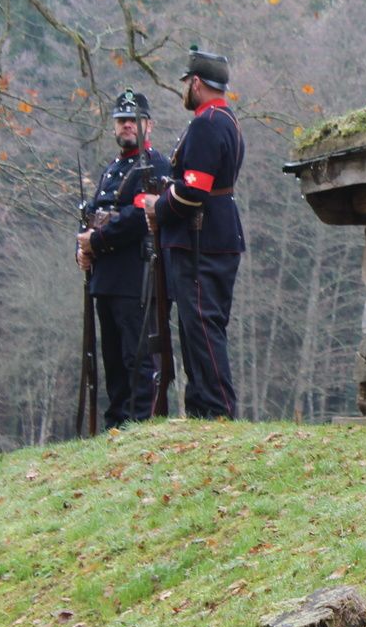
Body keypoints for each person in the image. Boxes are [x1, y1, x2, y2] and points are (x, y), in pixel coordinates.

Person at [147, 45, 246, 420]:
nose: (184, 88)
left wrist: (159, 207)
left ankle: (217, 409)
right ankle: (203, 407)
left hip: (201, 239)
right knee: (198, 326)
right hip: (211, 236)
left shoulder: (207, 124)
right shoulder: (225, 120)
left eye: (187, 82)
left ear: (197, 83)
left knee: (203, 326)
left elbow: (194, 190)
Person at [75, 90, 170, 426]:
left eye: (134, 120)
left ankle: (139, 424)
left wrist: (95, 241)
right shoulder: (112, 169)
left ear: (148, 125)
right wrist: (82, 248)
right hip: (106, 278)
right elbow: (93, 214)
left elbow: (136, 217)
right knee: (112, 359)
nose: (127, 125)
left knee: (137, 357)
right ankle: (116, 426)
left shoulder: (155, 165)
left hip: (136, 277)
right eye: (122, 120)